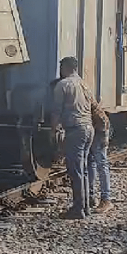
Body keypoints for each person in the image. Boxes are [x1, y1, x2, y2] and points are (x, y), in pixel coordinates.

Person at [51, 57, 94, 220]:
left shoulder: (63, 85)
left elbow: (56, 110)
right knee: (83, 170)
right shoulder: (84, 84)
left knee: (75, 171)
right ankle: (86, 207)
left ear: (65, 68)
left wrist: (54, 130)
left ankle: (78, 209)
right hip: (88, 129)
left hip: (75, 130)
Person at [81, 82, 114, 214]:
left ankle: (106, 199)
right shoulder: (83, 93)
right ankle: (91, 197)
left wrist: (104, 138)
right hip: (92, 130)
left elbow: (102, 119)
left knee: (101, 163)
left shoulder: (85, 98)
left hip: (99, 130)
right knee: (92, 163)